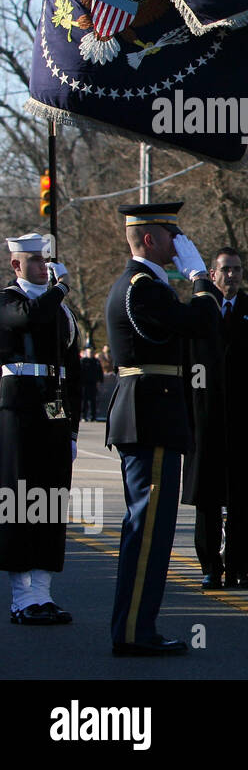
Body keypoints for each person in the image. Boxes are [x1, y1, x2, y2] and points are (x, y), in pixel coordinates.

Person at [104, 202, 220, 655]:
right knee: (148, 532)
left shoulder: (145, 285)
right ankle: (134, 631)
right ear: (151, 239)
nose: (181, 243)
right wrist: (199, 278)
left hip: (150, 414)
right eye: (174, 236)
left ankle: (135, 627)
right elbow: (203, 323)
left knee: (146, 531)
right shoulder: (143, 287)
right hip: (151, 416)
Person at [182, 247, 248, 590]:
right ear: (212, 275)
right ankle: (210, 566)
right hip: (206, 421)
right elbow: (186, 372)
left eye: (238, 269)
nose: (232, 276)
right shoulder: (196, 314)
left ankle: (239, 568)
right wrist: (186, 423)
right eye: (225, 270)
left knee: (242, 502)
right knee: (207, 500)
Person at [1, 233, 80, 625]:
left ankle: (43, 594)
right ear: (17, 264)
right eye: (35, 260)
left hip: (52, 410)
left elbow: (72, 371)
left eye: (46, 258)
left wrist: (73, 430)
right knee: (19, 503)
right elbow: (29, 317)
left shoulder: (60, 308)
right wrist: (61, 287)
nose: (43, 266)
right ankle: (21, 598)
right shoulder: (8, 299)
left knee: (50, 502)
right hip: (17, 413)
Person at [79, 348, 103, 421]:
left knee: (93, 401)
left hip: (93, 384)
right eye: (89, 352)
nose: (90, 353)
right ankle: (84, 416)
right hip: (84, 384)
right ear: (86, 353)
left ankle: (93, 416)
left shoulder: (96, 361)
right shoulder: (83, 361)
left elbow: (100, 372)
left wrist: (100, 381)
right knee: (84, 401)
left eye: (92, 352)